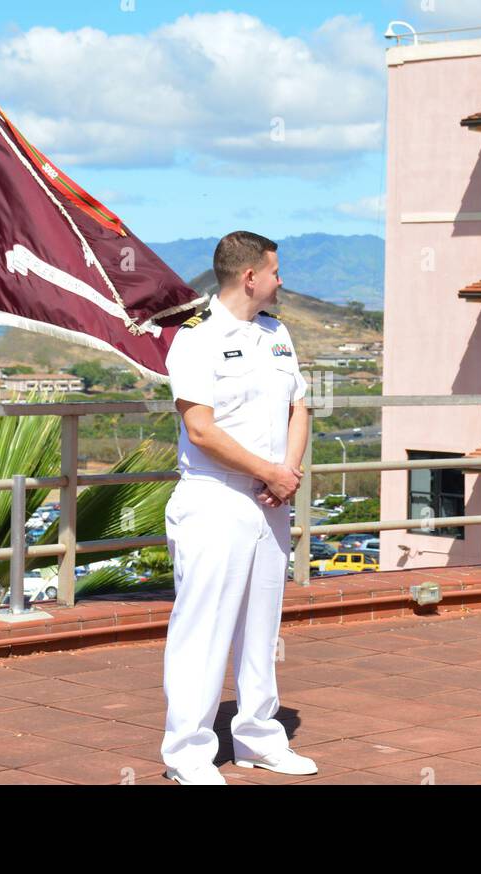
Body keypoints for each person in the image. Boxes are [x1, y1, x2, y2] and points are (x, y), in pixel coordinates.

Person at [160, 231, 317, 785]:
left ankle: (258, 738)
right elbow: (200, 429)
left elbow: (300, 407)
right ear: (250, 276)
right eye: (274, 271)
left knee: (261, 627)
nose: (281, 280)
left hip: (272, 500)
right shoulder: (195, 339)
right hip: (216, 499)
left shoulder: (277, 333)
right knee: (203, 628)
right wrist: (267, 471)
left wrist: (287, 474)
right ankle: (188, 754)